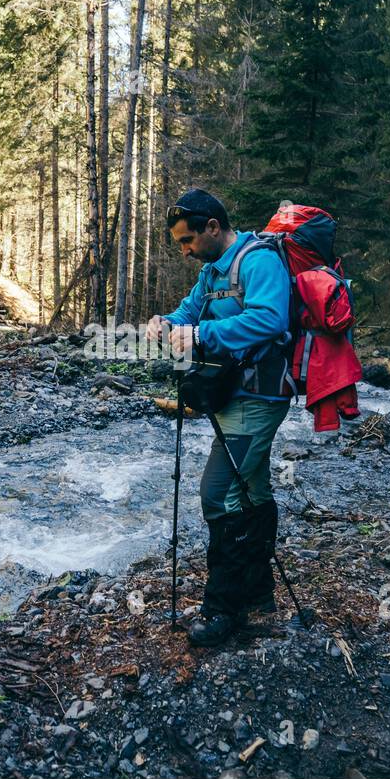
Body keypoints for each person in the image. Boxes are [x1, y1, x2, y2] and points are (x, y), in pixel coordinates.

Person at [146, 188, 293, 646]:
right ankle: (256, 593)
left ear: (213, 226)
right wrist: (166, 322)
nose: (185, 250)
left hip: (260, 396)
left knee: (219, 494)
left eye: (188, 240)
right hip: (232, 394)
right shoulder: (211, 272)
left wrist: (200, 332)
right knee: (252, 491)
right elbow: (189, 312)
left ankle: (222, 609)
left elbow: (271, 319)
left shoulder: (259, 260)